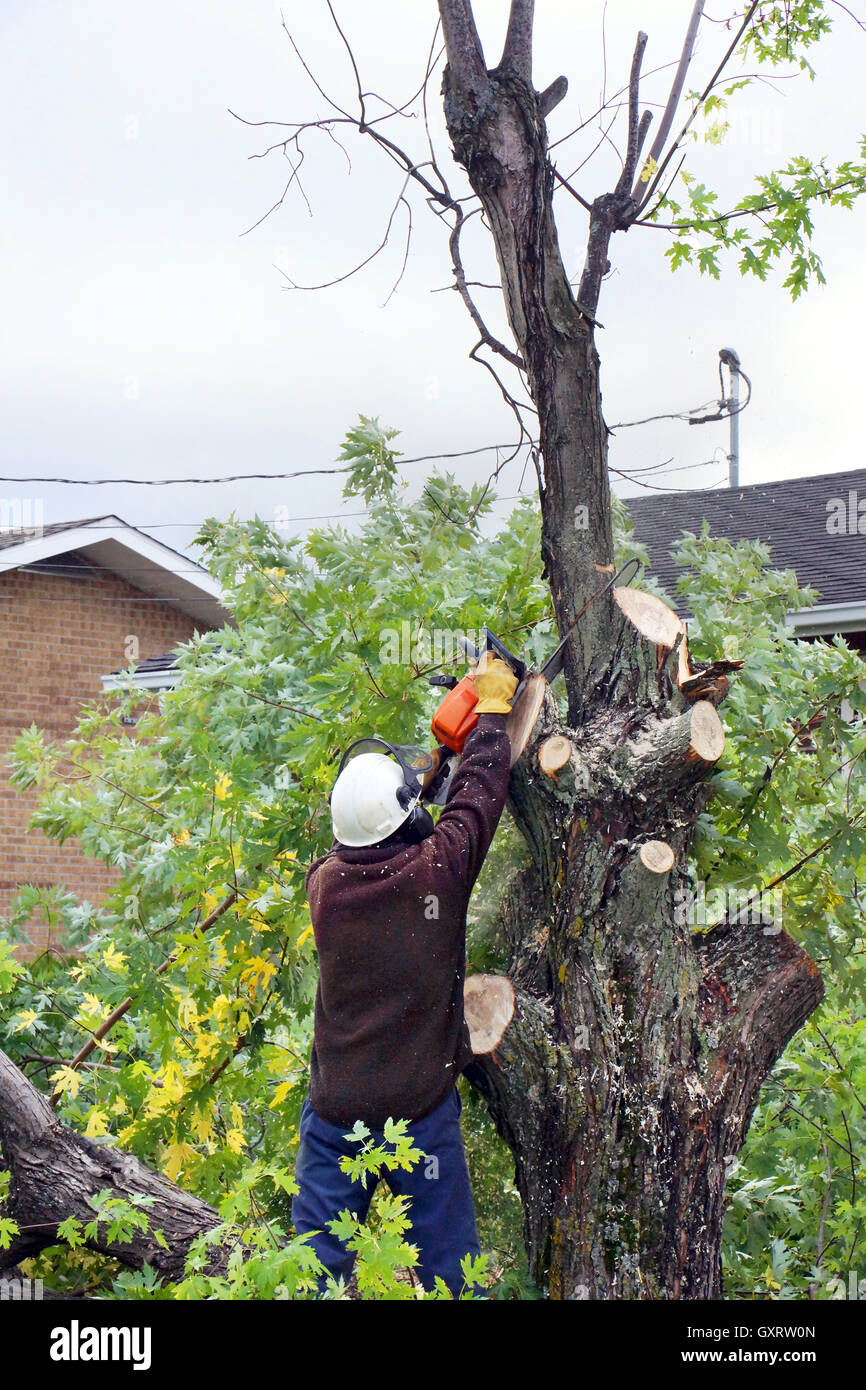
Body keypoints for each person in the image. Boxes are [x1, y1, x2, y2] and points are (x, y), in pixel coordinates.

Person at [291, 654, 517, 1296]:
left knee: (314, 1276)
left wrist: (425, 779)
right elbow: (475, 806)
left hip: (338, 1115)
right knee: (452, 1275)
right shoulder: (436, 873)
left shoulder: (324, 888)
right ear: (406, 819)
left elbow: (391, 840)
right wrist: (492, 719)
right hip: (418, 1111)